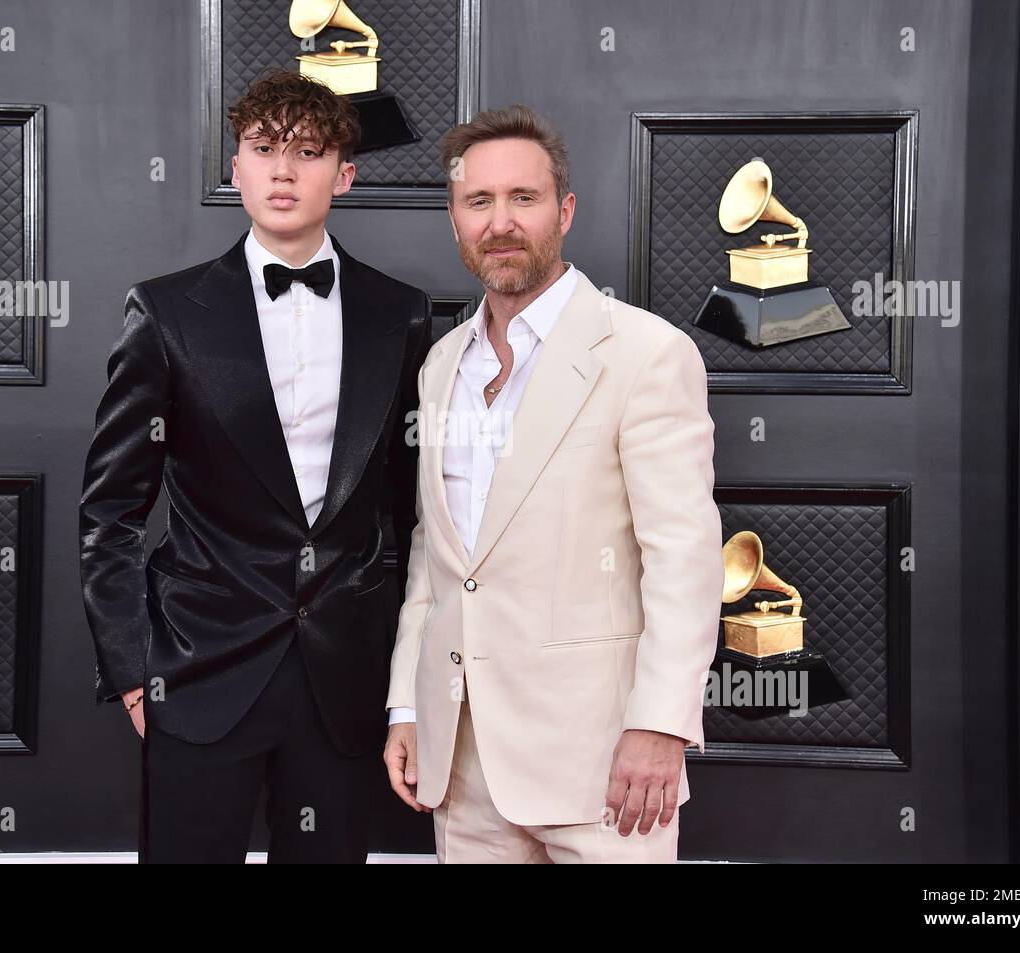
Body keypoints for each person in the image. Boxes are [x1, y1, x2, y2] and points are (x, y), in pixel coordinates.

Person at [79, 68, 431, 863]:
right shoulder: (164, 313)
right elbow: (109, 511)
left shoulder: (402, 312)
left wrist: (402, 676)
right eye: (263, 148)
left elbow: (407, 512)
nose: (282, 169)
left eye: (307, 151)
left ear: (344, 174)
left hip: (344, 675)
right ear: (234, 166)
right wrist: (134, 667)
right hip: (198, 671)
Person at [383, 104, 723, 863]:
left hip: (604, 767)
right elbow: (433, 558)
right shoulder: (441, 368)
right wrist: (408, 702)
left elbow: (685, 556)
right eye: (479, 201)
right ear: (455, 219)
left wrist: (661, 724)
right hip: (463, 767)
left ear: (564, 211)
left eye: (524, 199)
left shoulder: (644, 353)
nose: (500, 222)